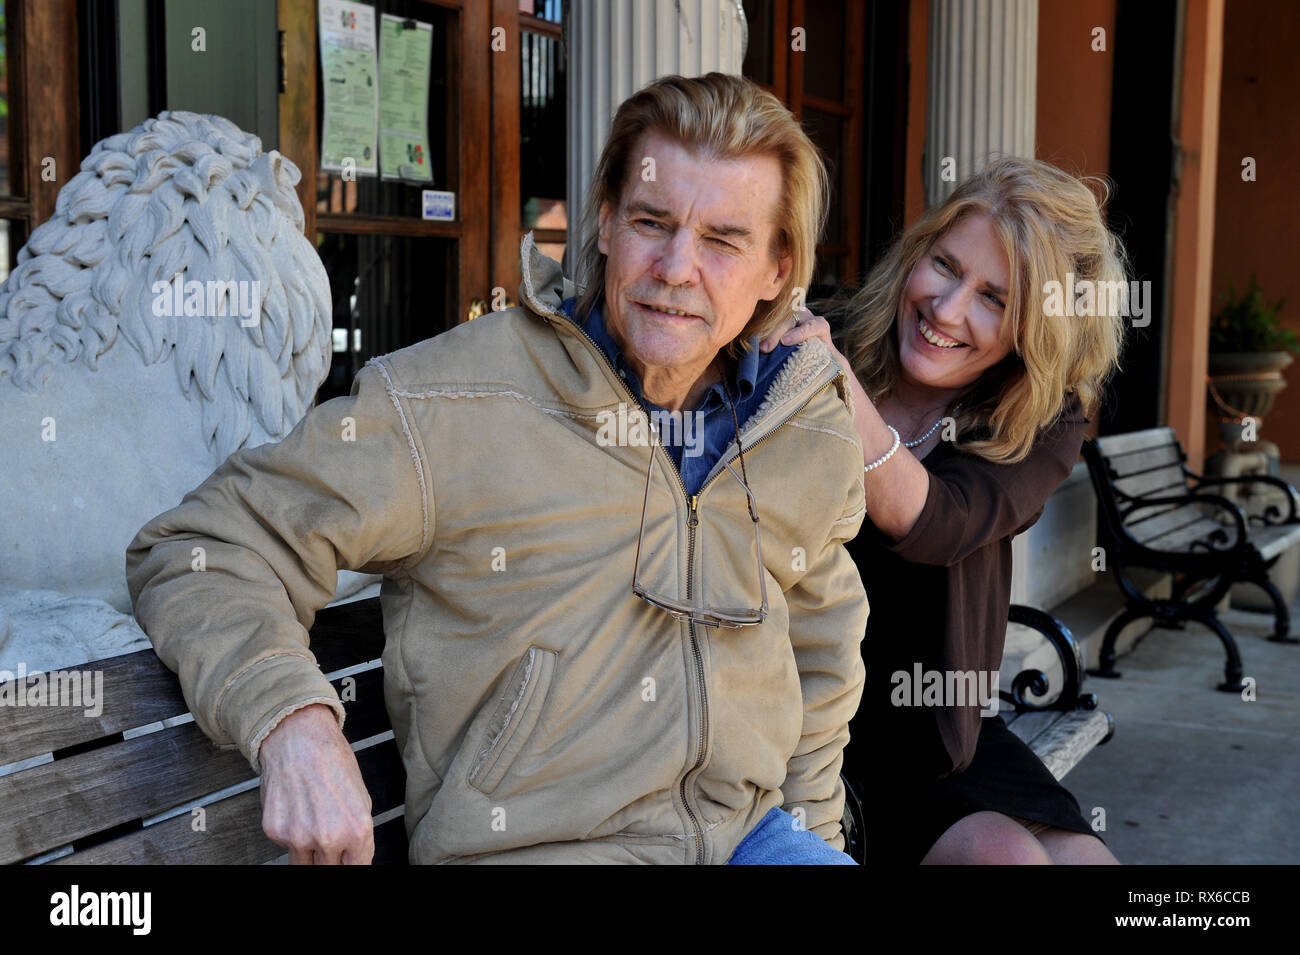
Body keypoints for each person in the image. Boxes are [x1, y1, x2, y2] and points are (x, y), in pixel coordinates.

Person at [125, 73, 869, 865]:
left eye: (723, 239)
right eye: (654, 222)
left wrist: (814, 840)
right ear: (607, 224)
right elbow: (205, 546)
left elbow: (822, 644)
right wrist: (291, 721)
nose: (679, 267)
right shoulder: (453, 400)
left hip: (748, 841)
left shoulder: (794, 423)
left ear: (776, 269)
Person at [764, 157, 1125, 864]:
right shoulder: (830, 335)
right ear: (916, 253)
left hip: (937, 732)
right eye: (945, 266)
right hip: (813, 721)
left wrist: (837, 389)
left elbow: (939, 523)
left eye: (994, 298)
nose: (948, 309)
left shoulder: (1040, 420)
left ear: (1034, 331)